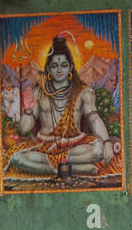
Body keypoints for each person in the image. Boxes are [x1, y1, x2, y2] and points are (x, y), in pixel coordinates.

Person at [8, 34, 113, 176]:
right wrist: (27, 110)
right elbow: (23, 130)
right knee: (16, 158)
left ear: (70, 67)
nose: (59, 70)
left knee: (99, 148)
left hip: (75, 144)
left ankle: (57, 167)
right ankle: (73, 168)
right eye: (54, 65)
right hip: (45, 146)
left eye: (63, 65)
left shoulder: (82, 92)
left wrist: (107, 143)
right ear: (49, 69)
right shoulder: (38, 92)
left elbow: (94, 119)